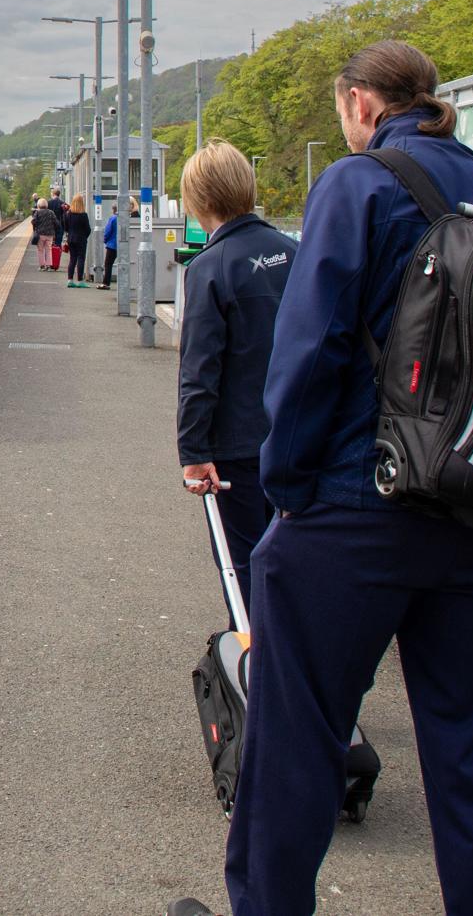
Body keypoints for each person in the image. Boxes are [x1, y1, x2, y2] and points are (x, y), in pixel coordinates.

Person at [169, 40, 473, 916]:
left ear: (358, 103)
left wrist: (289, 491)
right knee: (472, 749)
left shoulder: (359, 184)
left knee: (296, 739)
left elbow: (309, 357)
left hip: (353, 510)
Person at [171, 141, 293, 619]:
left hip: (237, 450)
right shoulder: (293, 252)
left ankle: (255, 668)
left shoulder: (209, 268)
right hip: (297, 437)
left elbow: (199, 371)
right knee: (292, 558)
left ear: (196, 201)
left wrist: (194, 453)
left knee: (244, 565)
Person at [60, 195, 94, 286]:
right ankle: (80, 281)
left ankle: (70, 280)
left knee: (72, 259)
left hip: (71, 239)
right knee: (81, 259)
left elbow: (65, 228)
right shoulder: (83, 215)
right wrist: (84, 236)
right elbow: (88, 229)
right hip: (81, 239)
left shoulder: (68, 214)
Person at [31, 200, 59, 272]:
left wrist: (36, 227)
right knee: (49, 250)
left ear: (38, 205)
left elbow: (33, 222)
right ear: (46, 205)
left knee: (40, 250)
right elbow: (56, 223)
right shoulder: (51, 212)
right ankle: (49, 266)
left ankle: (42, 266)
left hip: (40, 234)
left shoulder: (37, 212)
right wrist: (53, 229)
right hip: (50, 235)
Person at [98, 199, 120, 287]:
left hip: (112, 245)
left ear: (113, 210)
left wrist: (105, 239)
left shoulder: (113, 218)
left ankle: (106, 283)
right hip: (121, 245)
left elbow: (108, 231)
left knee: (108, 264)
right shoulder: (123, 218)